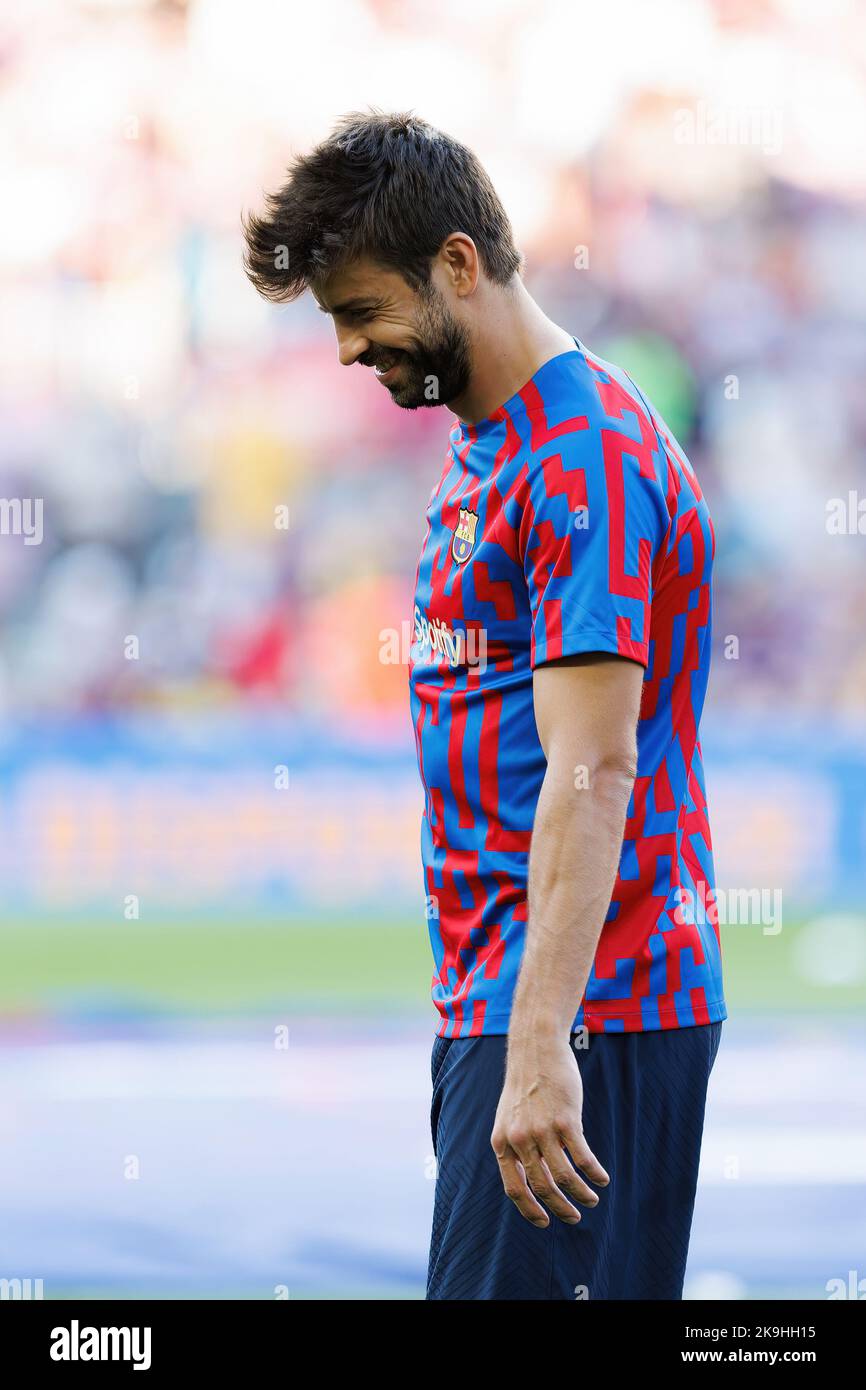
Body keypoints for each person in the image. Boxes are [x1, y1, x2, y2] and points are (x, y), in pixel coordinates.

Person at [243, 109, 725, 1301]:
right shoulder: (493, 443)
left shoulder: (582, 458)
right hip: (523, 1006)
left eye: (361, 312)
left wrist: (536, 1043)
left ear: (456, 263)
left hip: (583, 1012)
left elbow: (591, 769)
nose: (351, 349)